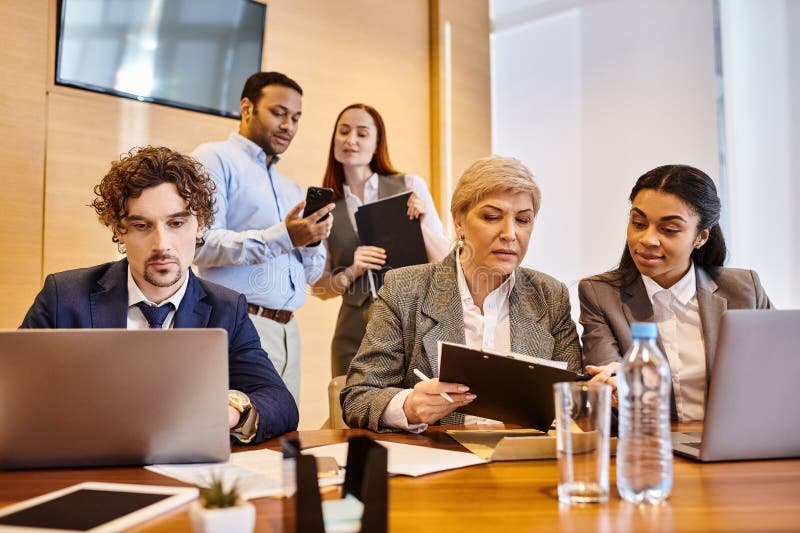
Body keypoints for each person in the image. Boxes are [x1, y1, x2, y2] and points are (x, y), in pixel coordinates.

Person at [20, 146, 298, 444]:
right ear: (119, 230)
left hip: (185, 474)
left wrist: (229, 410)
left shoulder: (226, 309)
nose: (161, 244)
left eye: (176, 223)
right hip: (82, 464)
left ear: (201, 225)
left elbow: (279, 401)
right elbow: (15, 392)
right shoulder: (64, 296)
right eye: (142, 226)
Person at [341, 156, 582, 432]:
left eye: (523, 220)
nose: (510, 233)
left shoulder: (550, 296)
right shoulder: (404, 289)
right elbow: (357, 398)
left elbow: (575, 398)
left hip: (523, 464)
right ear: (458, 221)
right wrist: (408, 406)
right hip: (438, 463)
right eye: (492, 217)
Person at [579, 164, 773, 421]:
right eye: (638, 223)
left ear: (701, 237)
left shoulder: (744, 289)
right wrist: (612, 382)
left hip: (738, 443)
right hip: (652, 444)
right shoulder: (600, 294)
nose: (647, 239)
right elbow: (607, 371)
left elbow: (779, 370)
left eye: (669, 230)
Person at [192, 72, 334, 404]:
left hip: (289, 331)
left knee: (285, 434)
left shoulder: (291, 189)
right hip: (242, 323)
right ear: (247, 108)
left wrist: (311, 240)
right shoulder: (213, 158)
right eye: (279, 112)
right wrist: (285, 236)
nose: (288, 125)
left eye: (296, 118)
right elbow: (201, 245)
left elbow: (313, 275)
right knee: (241, 432)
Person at [311, 103, 451, 377]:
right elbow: (319, 289)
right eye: (344, 131)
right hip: (352, 337)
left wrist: (419, 226)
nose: (350, 140)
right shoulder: (324, 206)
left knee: (413, 413)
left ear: (377, 144)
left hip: (411, 327)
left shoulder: (409, 185)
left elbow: (446, 256)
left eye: (362, 133)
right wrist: (352, 271)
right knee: (349, 415)